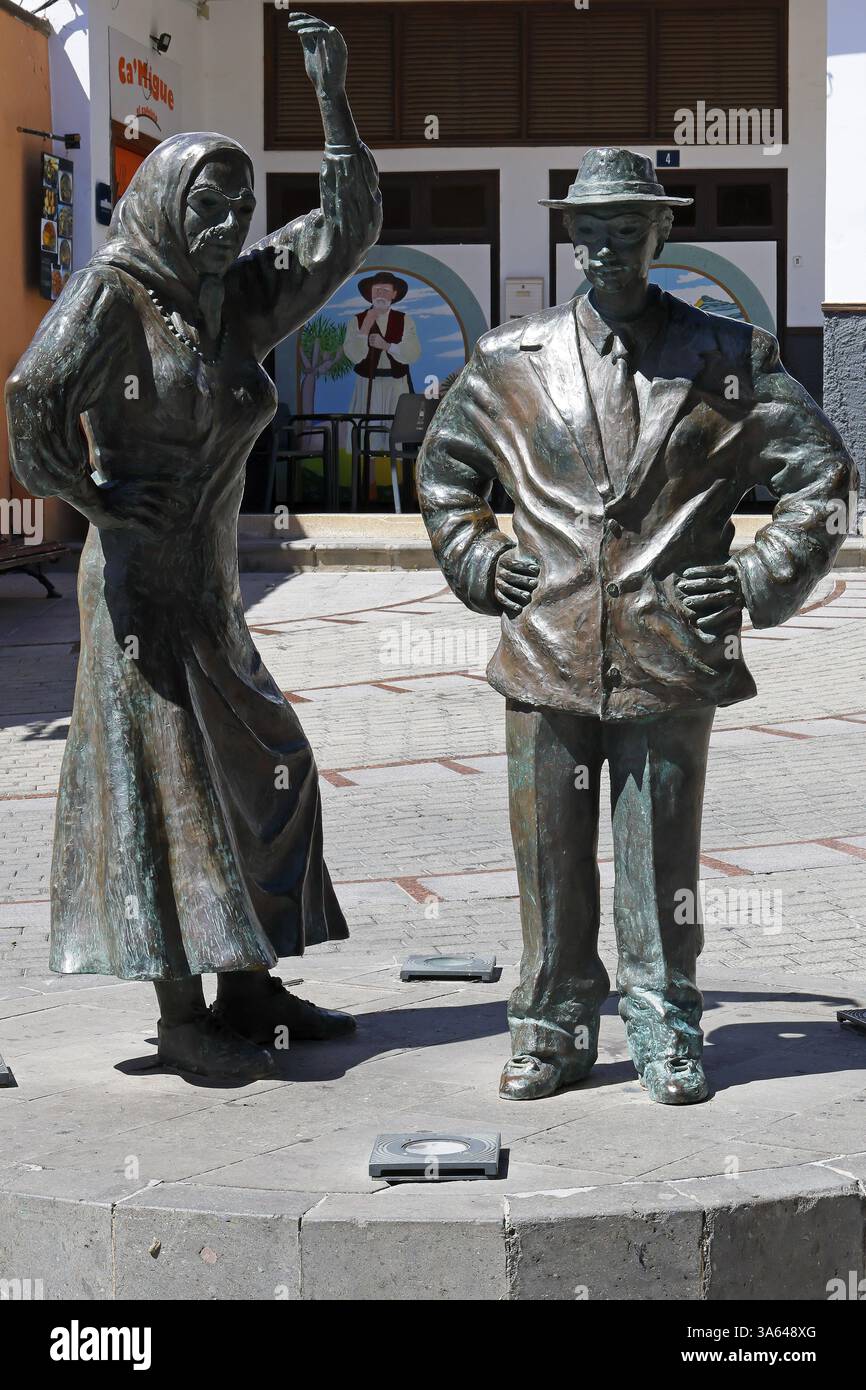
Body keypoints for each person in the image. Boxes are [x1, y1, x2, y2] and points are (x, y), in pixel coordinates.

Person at [417, 147, 856, 1105]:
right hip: (545, 645)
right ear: (569, 239)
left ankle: (664, 1017)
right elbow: (447, 476)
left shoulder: (727, 358)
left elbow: (821, 481)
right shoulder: (506, 362)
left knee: (661, 855)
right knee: (549, 860)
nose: (609, 250)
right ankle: (552, 1024)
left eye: (629, 230)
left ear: (662, 235)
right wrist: (483, 560)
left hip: (668, 648)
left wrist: (750, 578)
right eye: (592, 232)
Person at [5, 13, 382, 1082]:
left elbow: (348, 228)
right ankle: (181, 1016)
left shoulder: (236, 303)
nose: (226, 222)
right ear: (163, 203)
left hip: (210, 593)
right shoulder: (114, 293)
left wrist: (331, 97)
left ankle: (250, 984)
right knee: (164, 795)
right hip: (137, 598)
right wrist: (91, 495)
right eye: (206, 205)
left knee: (269, 768)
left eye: (240, 206)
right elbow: (30, 397)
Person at [343, 272, 421, 454]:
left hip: (396, 384)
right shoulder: (357, 320)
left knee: (397, 436)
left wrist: (386, 345)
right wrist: (365, 327)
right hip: (368, 383)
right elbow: (354, 355)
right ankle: (368, 480)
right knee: (368, 435)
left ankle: (397, 482)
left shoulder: (405, 319)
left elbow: (413, 352)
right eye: (377, 290)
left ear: (394, 294)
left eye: (386, 291)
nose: (380, 295)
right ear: (370, 293)